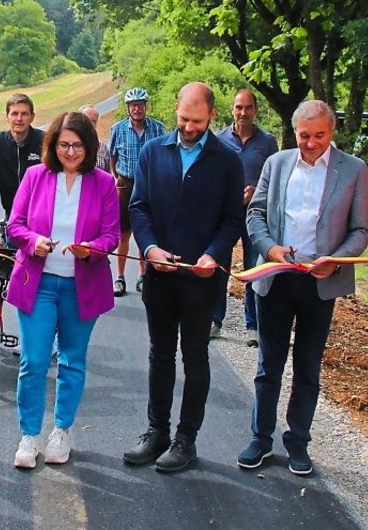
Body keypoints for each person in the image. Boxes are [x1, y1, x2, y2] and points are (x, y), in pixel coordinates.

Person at [237, 100, 368, 477]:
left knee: (308, 366)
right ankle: (260, 438)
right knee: (268, 365)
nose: (311, 143)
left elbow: (361, 230)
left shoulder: (353, 170)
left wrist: (337, 259)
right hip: (276, 278)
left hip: (320, 284)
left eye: (319, 136)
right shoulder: (277, 164)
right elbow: (256, 213)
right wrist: (269, 248)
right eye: (303, 135)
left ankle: (298, 442)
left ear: (332, 133)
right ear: (294, 133)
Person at [122, 82, 244, 473]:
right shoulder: (152, 152)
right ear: (175, 109)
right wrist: (150, 249)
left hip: (201, 278)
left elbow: (232, 219)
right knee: (160, 353)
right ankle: (156, 430)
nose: (188, 127)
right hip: (159, 275)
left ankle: (185, 438)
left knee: (194, 355)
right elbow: (138, 207)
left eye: (196, 121)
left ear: (211, 116)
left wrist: (214, 254)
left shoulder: (227, 159)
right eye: (183, 119)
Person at [5, 112, 120, 469]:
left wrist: (91, 249)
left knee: (72, 361)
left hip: (81, 286)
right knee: (34, 361)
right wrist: (34, 241)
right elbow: (14, 226)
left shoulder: (103, 183)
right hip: (38, 284)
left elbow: (111, 236)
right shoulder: (35, 176)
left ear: (90, 147)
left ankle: (62, 430)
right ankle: (28, 434)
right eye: (64, 145)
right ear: (53, 146)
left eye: (78, 145)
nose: (71, 152)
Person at [211, 89, 278, 342]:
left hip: (255, 215)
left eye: (248, 107)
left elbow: (275, 178)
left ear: (256, 110)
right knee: (219, 267)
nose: (243, 112)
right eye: (239, 107)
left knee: (254, 268)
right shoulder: (218, 140)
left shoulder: (268, 142)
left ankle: (253, 325)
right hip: (227, 215)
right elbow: (213, 178)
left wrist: (256, 192)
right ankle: (215, 320)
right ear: (232, 109)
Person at [108, 87, 166, 296]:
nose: (137, 108)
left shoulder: (158, 129)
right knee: (123, 233)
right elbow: (112, 155)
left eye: (140, 104)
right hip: (126, 182)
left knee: (145, 231)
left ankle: (143, 276)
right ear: (128, 108)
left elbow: (166, 155)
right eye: (133, 105)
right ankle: (120, 277)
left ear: (145, 106)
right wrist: (116, 178)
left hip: (149, 183)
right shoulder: (118, 128)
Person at [0, 93, 44, 218]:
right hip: (12, 213)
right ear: (7, 116)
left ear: (32, 117)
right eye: (14, 113)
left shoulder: (45, 141)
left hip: (41, 213)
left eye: (24, 114)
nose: (19, 118)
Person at [79, 105, 111, 173]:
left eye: (93, 121)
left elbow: (108, 173)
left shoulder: (102, 147)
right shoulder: (70, 146)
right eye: (86, 119)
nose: (90, 123)